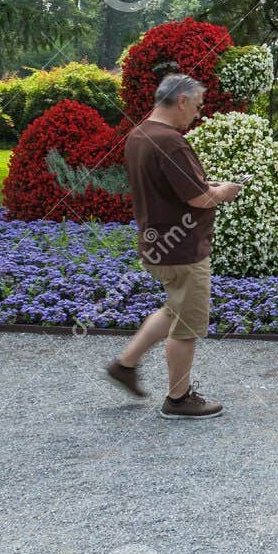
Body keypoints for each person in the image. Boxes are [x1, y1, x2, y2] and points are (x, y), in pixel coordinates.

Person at [105, 73, 243, 418]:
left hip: (157, 244)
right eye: (196, 106)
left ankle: (126, 363)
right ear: (181, 100)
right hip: (183, 250)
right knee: (187, 326)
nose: (197, 114)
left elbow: (170, 187)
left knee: (175, 309)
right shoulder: (170, 142)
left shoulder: (139, 136)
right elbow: (198, 199)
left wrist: (205, 186)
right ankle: (178, 400)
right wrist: (223, 192)